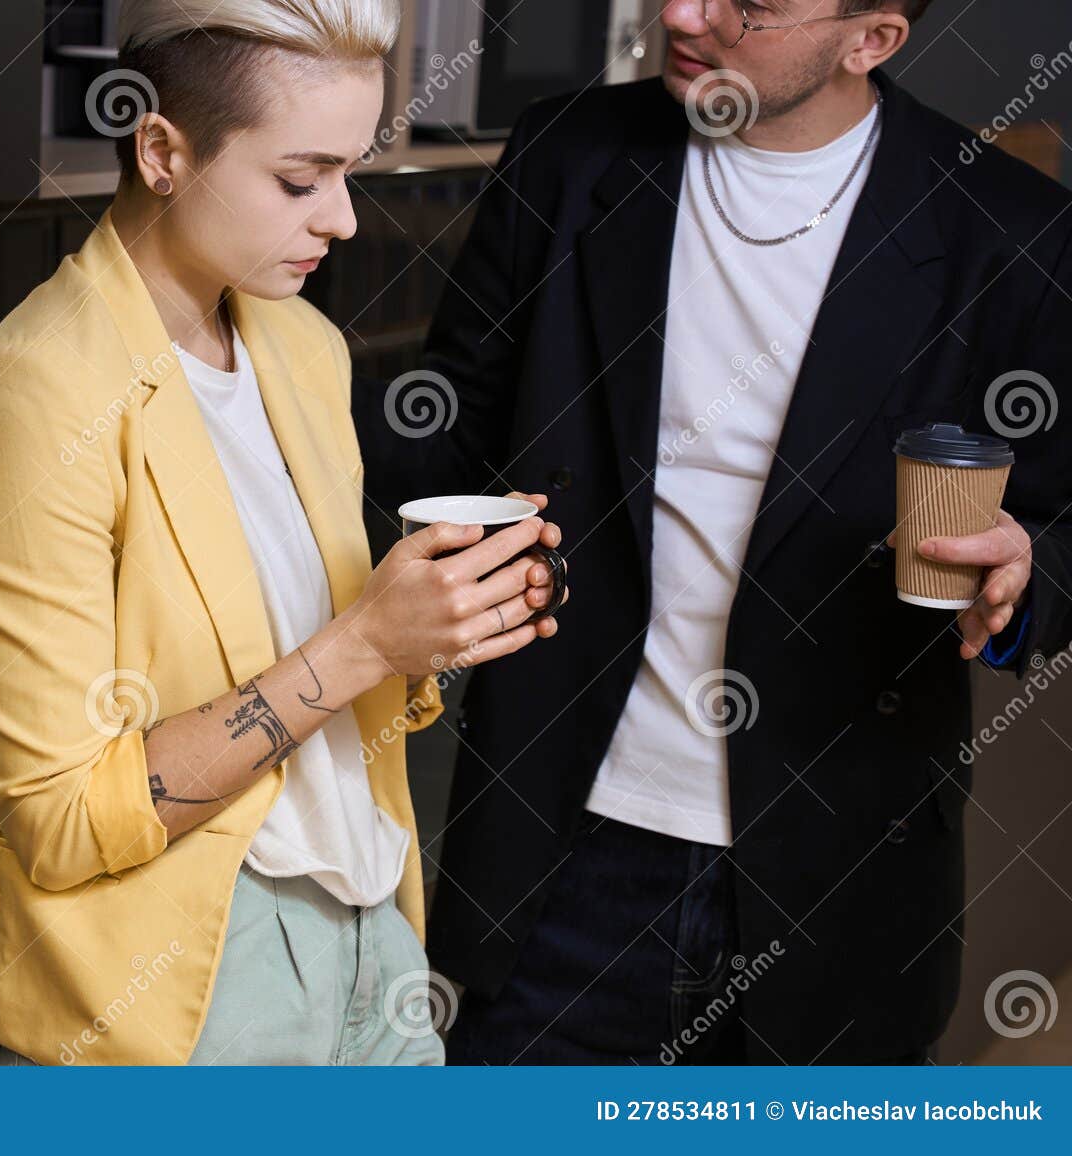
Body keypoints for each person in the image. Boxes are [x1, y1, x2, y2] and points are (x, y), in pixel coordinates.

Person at [353, 0, 1072, 1063]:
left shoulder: (1009, 228)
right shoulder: (571, 152)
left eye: (754, 4)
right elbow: (449, 427)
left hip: (840, 873)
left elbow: (1059, 527)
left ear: (869, 39)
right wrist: (260, 367)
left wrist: (1022, 582)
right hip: (564, 851)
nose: (686, 14)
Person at [0, 0, 561, 1066]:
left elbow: (323, 661)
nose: (343, 220)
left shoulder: (303, 347)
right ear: (164, 150)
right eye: (299, 179)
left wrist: (438, 622)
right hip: (177, 985)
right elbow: (63, 819)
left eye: (349, 173)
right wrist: (366, 640)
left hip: (373, 927)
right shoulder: (37, 391)